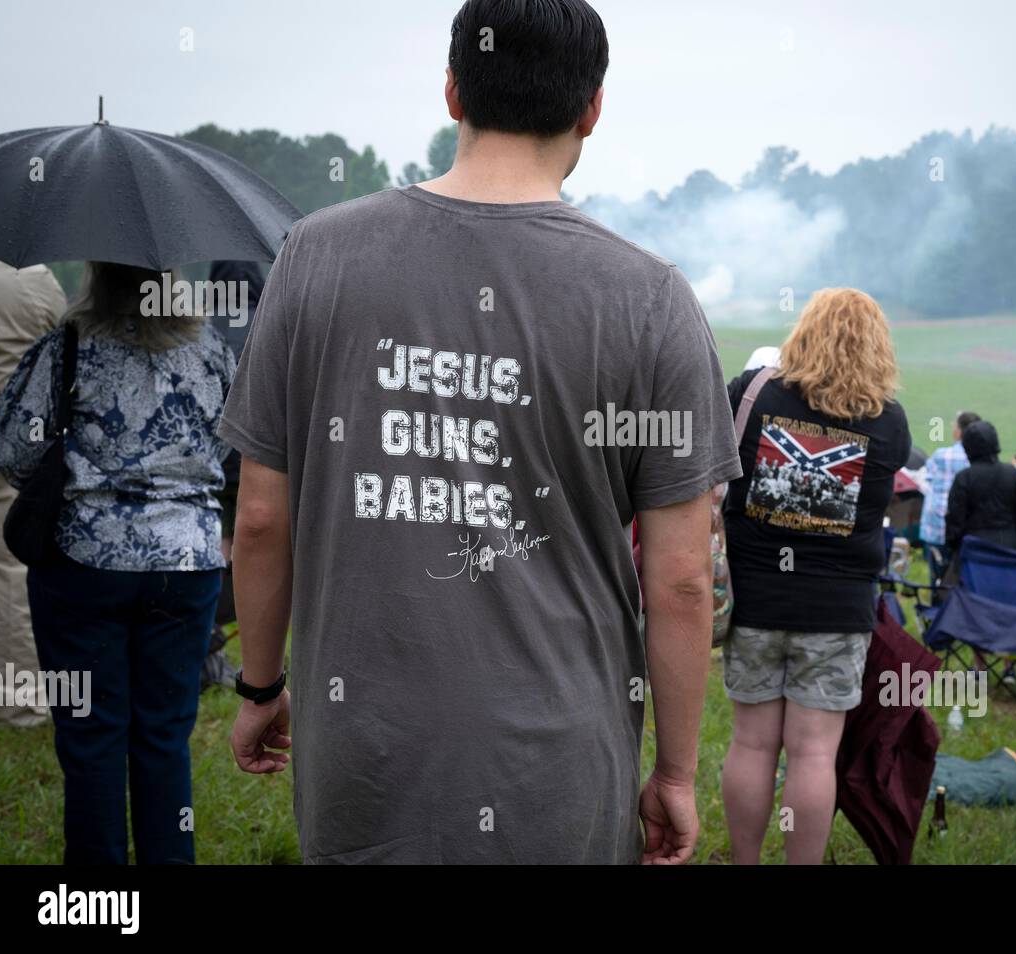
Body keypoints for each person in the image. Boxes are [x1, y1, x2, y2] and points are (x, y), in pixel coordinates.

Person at [219, 0, 741, 865]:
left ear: (454, 91)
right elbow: (683, 579)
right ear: (592, 110)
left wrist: (260, 684)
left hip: (362, 748)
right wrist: (676, 775)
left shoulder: (313, 256)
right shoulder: (651, 300)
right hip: (557, 766)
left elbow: (261, 519)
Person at [0, 261, 234, 864]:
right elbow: (232, 445)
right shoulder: (211, 352)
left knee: (91, 738)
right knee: (165, 738)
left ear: (97, 278)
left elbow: (14, 452)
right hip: (187, 566)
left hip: (84, 564)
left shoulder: (68, 347)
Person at [719, 288, 910, 864]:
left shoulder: (751, 394)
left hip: (755, 600)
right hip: (837, 610)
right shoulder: (890, 423)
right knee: (813, 756)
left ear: (803, 332)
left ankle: (744, 862)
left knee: (751, 743)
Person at [0, 259, 67, 728]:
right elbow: (61, 343)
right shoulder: (32, 278)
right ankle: (18, 702)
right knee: (8, 570)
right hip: (10, 442)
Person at [944, 420, 1016, 554]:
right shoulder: (1012, 473)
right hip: (1008, 547)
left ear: (967, 446)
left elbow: (955, 520)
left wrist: (953, 548)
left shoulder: (964, 477)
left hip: (974, 550)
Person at [919, 410, 979, 585]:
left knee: (937, 578)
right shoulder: (977, 460)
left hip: (937, 526)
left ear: (959, 431)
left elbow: (924, 480)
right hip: (965, 528)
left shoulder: (941, 455)